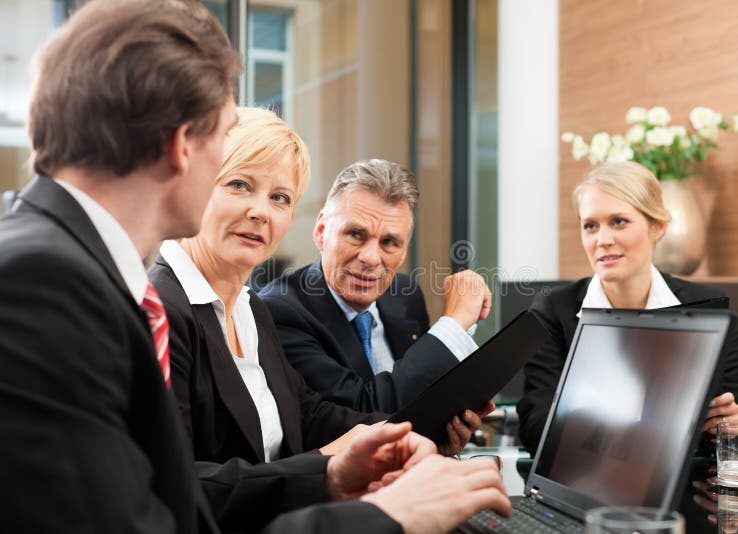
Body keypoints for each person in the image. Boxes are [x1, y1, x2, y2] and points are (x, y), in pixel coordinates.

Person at [0, 1, 510, 532]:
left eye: (281, 198)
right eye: (229, 157)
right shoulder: (44, 284)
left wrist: (338, 471)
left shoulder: (103, 278)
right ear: (184, 146)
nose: (259, 211)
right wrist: (384, 516)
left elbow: (304, 419)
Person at [148, 107, 477, 462]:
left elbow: (310, 415)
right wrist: (323, 475)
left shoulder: (249, 309)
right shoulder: (157, 311)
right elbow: (185, 487)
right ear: (194, 185)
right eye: (239, 185)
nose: (261, 211)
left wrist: (416, 439)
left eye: (280, 198)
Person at [516, 161, 738, 449]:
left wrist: (730, 428)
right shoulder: (552, 310)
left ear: (657, 227)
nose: (602, 240)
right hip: (588, 482)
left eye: (618, 221)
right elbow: (535, 428)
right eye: (590, 226)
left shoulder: (706, 308)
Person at [259, 159, 494, 416]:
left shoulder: (405, 296)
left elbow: (419, 399)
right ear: (321, 231)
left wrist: (442, 432)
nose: (371, 258)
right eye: (356, 235)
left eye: (390, 242)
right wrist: (453, 324)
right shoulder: (278, 311)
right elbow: (364, 411)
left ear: (404, 250)